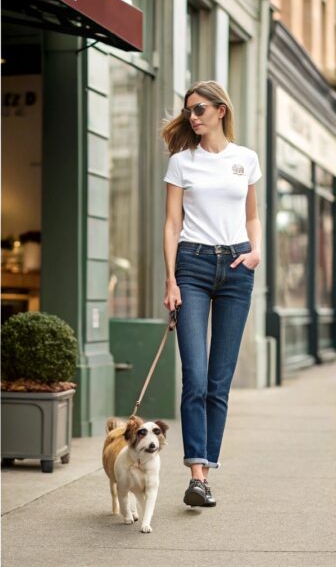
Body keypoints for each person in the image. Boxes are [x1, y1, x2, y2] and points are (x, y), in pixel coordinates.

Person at [161, 80, 261, 508]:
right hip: (193, 266)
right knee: (195, 378)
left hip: (238, 269)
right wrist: (171, 280)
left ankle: (206, 473)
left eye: (199, 108)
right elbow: (171, 224)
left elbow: (252, 216)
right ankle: (195, 474)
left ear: (221, 109)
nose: (192, 116)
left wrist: (257, 253)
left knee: (220, 380)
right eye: (188, 111)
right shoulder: (182, 162)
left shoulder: (246, 159)